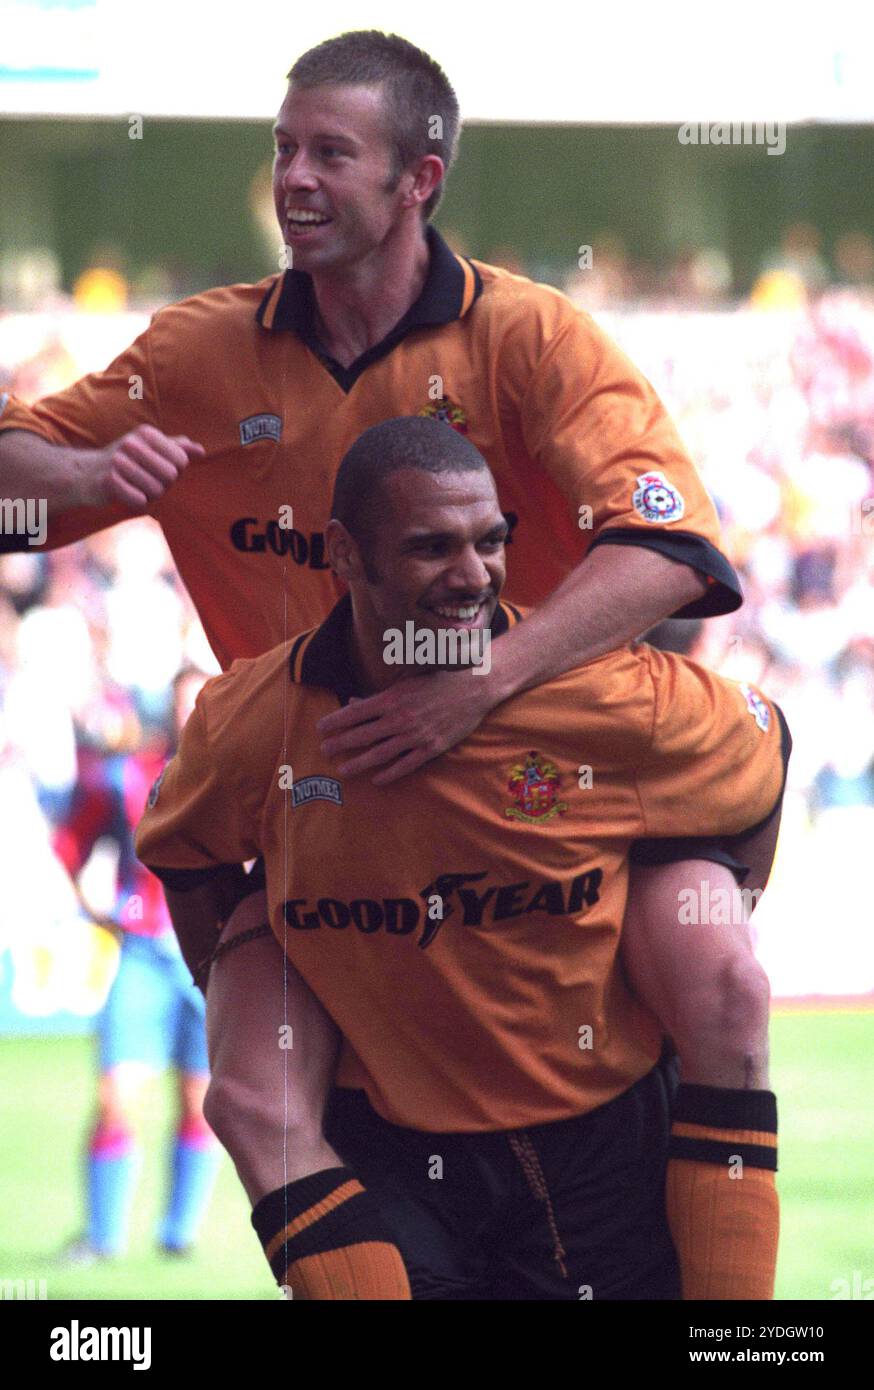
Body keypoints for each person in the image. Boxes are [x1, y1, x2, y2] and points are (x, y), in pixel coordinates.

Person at [0, 29, 770, 1298]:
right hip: (309, 791)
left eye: (330, 154)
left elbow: (677, 549)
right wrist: (87, 478)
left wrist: (481, 683)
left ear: (420, 177)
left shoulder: (530, 337)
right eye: (282, 149)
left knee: (725, 985)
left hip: (552, 768)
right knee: (253, 1096)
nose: (293, 177)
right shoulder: (198, 355)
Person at [135, 417, 789, 1301]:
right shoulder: (253, 723)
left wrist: (712, 909)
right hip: (397, 1153)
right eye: (430, 547)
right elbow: (186, 852)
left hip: (604, 1143)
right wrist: (253, 980)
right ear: (345, 555)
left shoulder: (610, 699)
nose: (473, 574)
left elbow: (766, 748)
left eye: (490, 542)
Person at [54, 669, 221, 1262]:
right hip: (144, 956)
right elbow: (70, 843)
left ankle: (178, 1236)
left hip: (212, 962)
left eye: (204, 700)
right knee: (114, 1095)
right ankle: (101, 1240)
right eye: (184, 702)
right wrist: (95, 911)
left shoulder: (246, 778)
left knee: (200, 1103)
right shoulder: (125, 776)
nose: (193, 713)